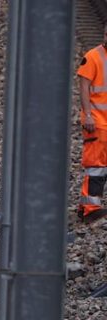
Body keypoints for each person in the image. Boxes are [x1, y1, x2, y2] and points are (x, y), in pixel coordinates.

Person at [77, 25, 107, 222]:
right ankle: (90, 209)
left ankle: (84, 207)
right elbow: (84, 88)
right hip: (96, 121)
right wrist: (88, 115)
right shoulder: (93, 56)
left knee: (99, 166)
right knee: (96, 166)